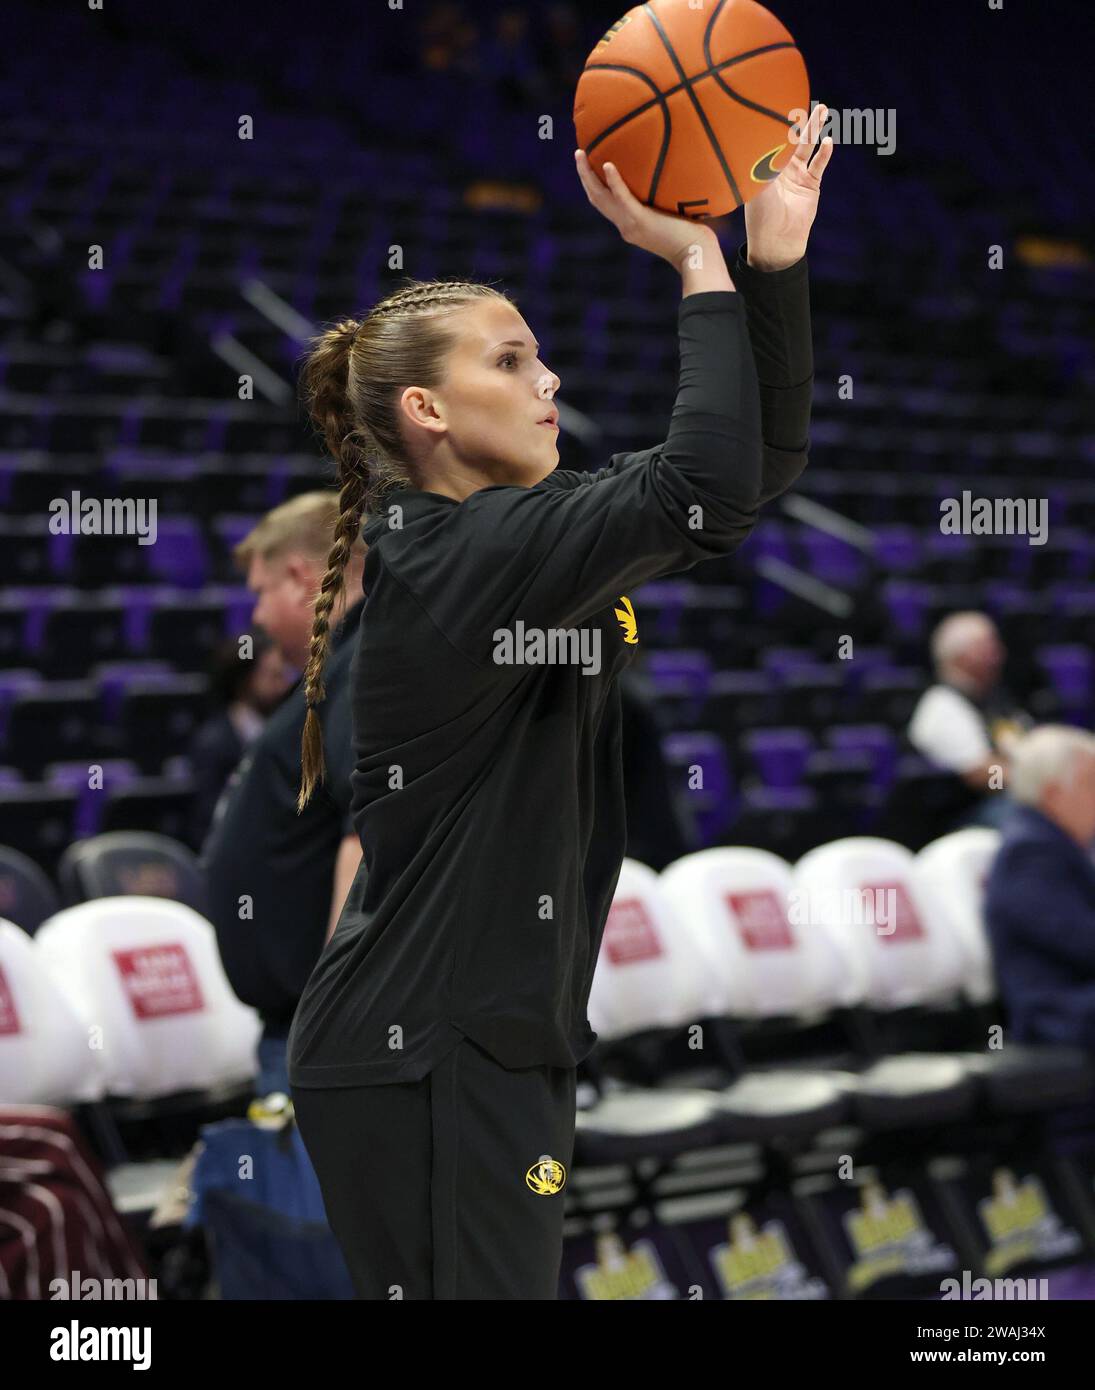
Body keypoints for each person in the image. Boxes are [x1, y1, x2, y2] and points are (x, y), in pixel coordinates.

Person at [287, 108, 834, 1299]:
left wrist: (771, 268)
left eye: (537, 355)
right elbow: (702, 480)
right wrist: (698, 262)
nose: (549, 380)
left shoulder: (503, 539)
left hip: (487, 1040)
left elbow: (740, 486)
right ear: (425, 412)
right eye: (510, 361)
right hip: (422, 1050)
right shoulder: (453, 554)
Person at [199, 492, 365, 1097]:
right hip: (305, 1023)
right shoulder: (341, 667)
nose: (260, 619)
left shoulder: (361, 662)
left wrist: (339, 1011)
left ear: (301, 579)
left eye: (262, 592)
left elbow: (370, 831)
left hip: (324, 1029)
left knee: (325, 1195)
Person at [984, 725, 1095, 1052]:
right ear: (1053, 794)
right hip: (1056, 1015)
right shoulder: (1029, 853)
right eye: (1091, 785)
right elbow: (1082, 940)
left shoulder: (1058, 843)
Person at [907, 611, 1032, 828]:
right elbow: (984, 775)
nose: (998, 655)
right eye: (987, 648)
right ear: (959, 656)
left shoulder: (998, 702)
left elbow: (1031, 746)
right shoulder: (942, 704)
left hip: (1006, 801)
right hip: (962, 817)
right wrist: (1036, 780)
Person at [186, 634, 290, 849]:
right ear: (245, 682)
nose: (284, 686)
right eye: (274, 677)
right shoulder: (214, 744)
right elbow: (206, 824)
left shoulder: (289, 733)